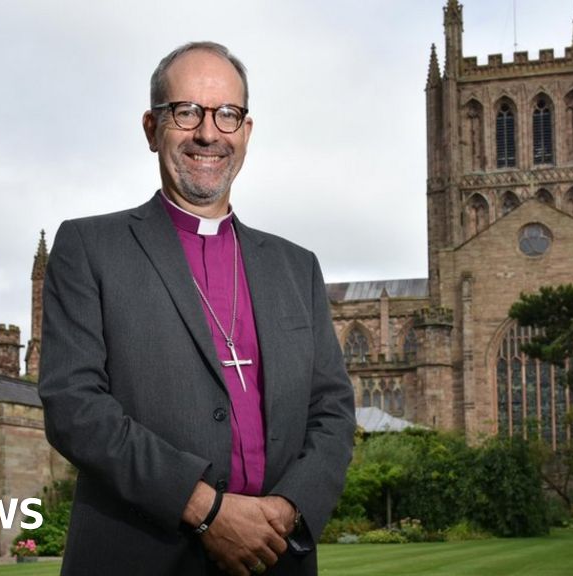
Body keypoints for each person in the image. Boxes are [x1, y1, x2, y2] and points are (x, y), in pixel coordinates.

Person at [39, 41, 355, 576]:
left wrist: (285, 511)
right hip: (141, 557)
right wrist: (207, 510)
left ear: (246, 132)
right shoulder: (90, 248)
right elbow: (75, 408)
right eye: (186, 112)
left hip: (278, 558)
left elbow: (332, 411)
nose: (208, 133)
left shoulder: (296, 267)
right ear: (151, 128)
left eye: (227, 114)